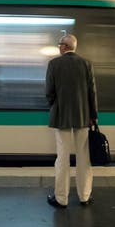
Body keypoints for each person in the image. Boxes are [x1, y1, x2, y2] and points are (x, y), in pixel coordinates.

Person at [45, 32, 98, 208]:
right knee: (84, 157)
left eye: (59, 44)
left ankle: (61, 198)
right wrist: (93, 116)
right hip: (83, 117)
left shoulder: (54, 64)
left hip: (61, 117)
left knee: (62, 158)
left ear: (65, 46)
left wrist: (56, 105)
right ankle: (84, 196)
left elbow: (49, 93)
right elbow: (92, 93)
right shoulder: (86, 64)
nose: (59, 47)